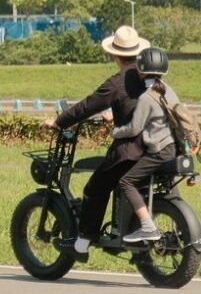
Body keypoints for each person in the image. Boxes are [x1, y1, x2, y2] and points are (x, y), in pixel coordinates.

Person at [40, 24, 150, 261]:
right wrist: (114, 113)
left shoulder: (116, 82)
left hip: (131, 148)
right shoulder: (148, 75)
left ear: (113, 54)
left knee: (95, 187)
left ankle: (82, 243)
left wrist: (58, 121)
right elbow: (139, 104)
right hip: (158, 145)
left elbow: (86, 106)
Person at [110, 47, 181, 244]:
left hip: (159, 150)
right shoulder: (169, 91)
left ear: (140, 71)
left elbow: (134, 129)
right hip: (174, 148)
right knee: (166, 185)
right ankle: (177, 225)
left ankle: (148, 227)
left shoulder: (146, 97)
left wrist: (115, 131)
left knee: (126, 182)